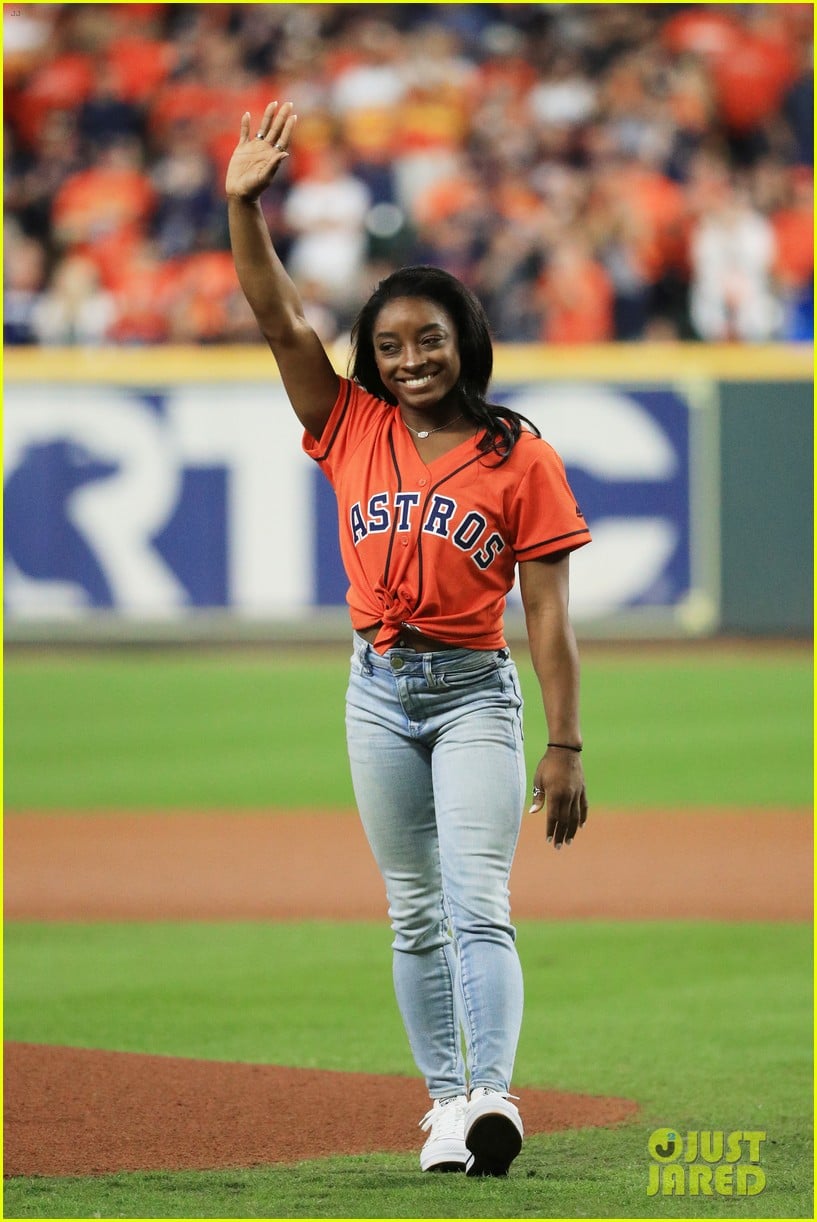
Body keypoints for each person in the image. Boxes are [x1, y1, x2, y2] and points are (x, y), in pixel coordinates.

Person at [227, 101, 591, 1178]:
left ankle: (494, 1099)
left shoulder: (517, 453)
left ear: (462, 341)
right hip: (376, 686)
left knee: (477, 902)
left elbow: (550, 615)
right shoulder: (350, 423)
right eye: (389, 345)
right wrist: (243, 204)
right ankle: (444, 1104)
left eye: (428, 338)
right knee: (412, 911)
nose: (410, 356)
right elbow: (279, 317)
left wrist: (564, 745)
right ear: (372, 359)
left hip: (474, 690)